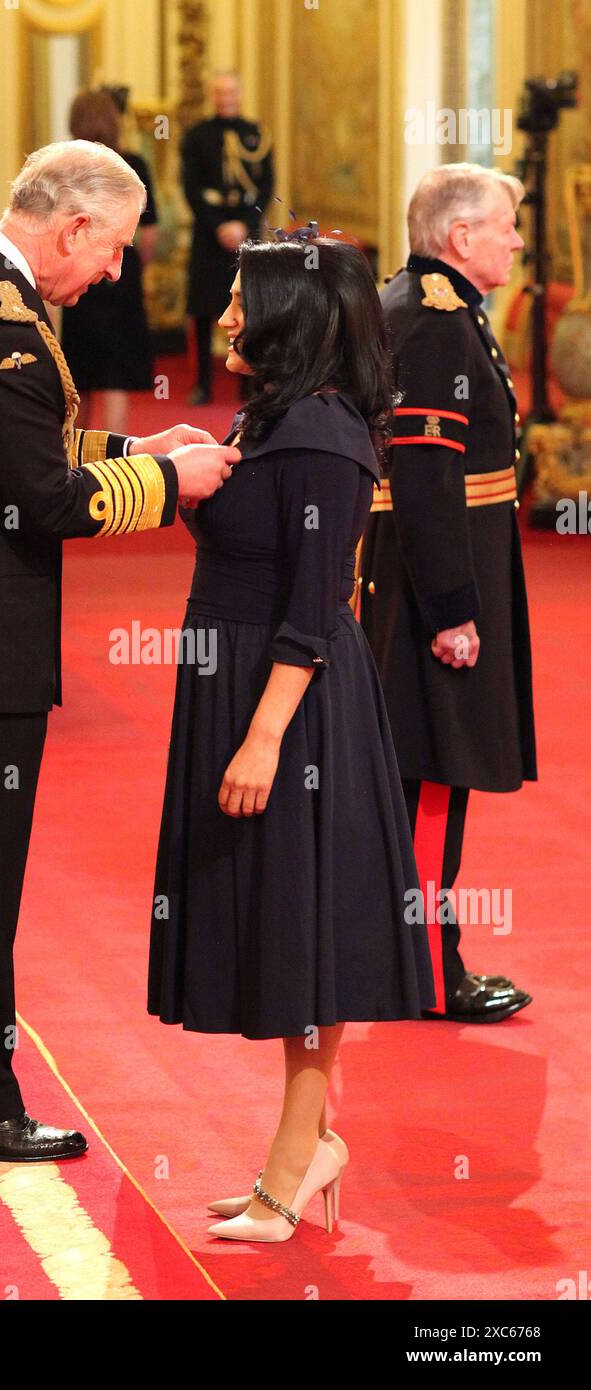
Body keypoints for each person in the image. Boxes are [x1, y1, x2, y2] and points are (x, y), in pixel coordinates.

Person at [0, 140, 240, 1164]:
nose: (111, 271)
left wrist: (137, 450)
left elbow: (14, 448)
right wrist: (171, 488)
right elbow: (42, 498)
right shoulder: (5, 328)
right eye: (108, 249)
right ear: (69, 228)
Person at [148, 232, 435, 1243]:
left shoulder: (318, 434)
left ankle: (296, 1160)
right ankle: (309, 1145)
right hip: (247, 687)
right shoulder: (279, 420)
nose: (224, 316)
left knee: (304, 934)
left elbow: (314, 610)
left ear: (291, 315)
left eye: (240, 300)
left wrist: (263, 737)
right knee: (282, 927)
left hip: (292, 704)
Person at [359, 163, 536, 1024]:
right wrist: (453, 611)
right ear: (459, 238)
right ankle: (428, 970)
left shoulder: (435, 307)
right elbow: (427, 477)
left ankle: (408, 955)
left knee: (424, 775)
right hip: (435, 580)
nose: (515, 239)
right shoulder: (432, 326)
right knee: (431, 775)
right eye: (505, 224)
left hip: (431, 570)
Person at [60, 88, 157, 437]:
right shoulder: (135, 165)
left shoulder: (67, 169)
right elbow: (149, 234)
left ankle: (74, 464)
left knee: (79, 378)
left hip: (79, 273)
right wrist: (131, 266)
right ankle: (117, 464)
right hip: (121, 273)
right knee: (117, 376)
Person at [181, 70, 274, 404]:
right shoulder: (196, 136)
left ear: (240, 93)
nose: (225, 97)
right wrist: (219, 226)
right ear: (212, 95)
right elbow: (191, 189)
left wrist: (243, 226)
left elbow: (265, 189)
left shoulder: (256, 135)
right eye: (219, 92)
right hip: (209, 235)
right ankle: (202, 383)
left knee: (251, 306)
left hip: (246, 231)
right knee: (204, 309)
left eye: (231, 91)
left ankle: (247, 383)